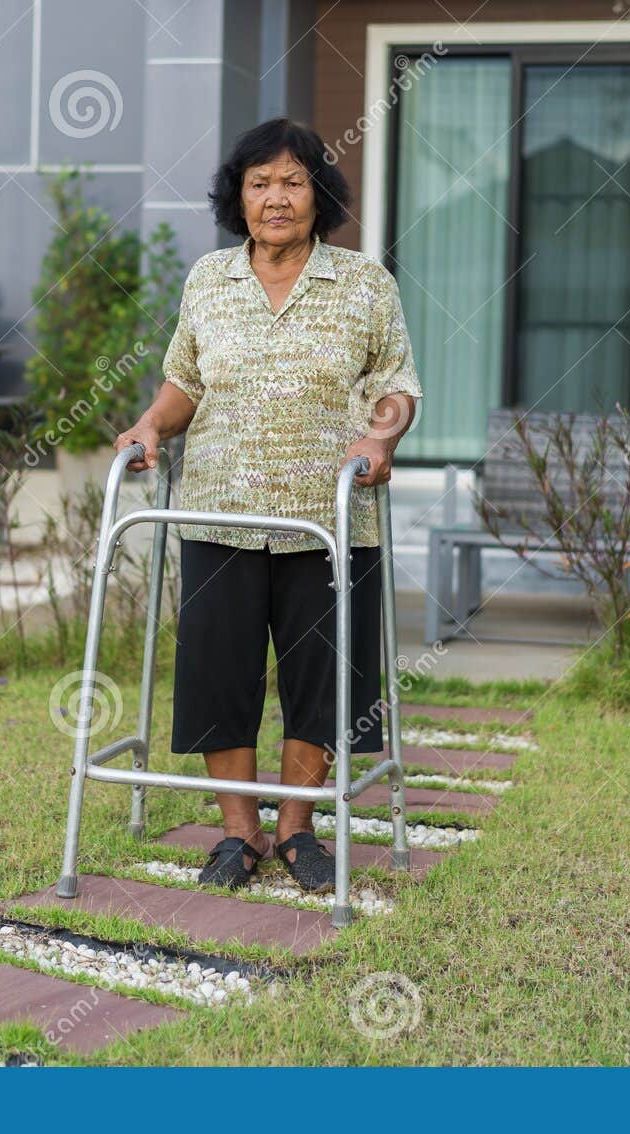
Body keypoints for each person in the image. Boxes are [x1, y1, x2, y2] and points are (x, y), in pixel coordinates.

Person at [113, 116, 424, 892]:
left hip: (328, 519)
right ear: (238, 197)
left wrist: (380, 441)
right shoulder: (208, 280)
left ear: (320, 193)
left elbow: (396, 385)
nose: (275, 198)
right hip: (219, 509)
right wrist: (152, 425)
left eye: (292, 181)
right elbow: (186, 380)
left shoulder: (362, 283)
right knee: (222, 672)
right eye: (259, 184)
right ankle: (236, 832)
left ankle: (298, 828)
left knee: (322, 677)